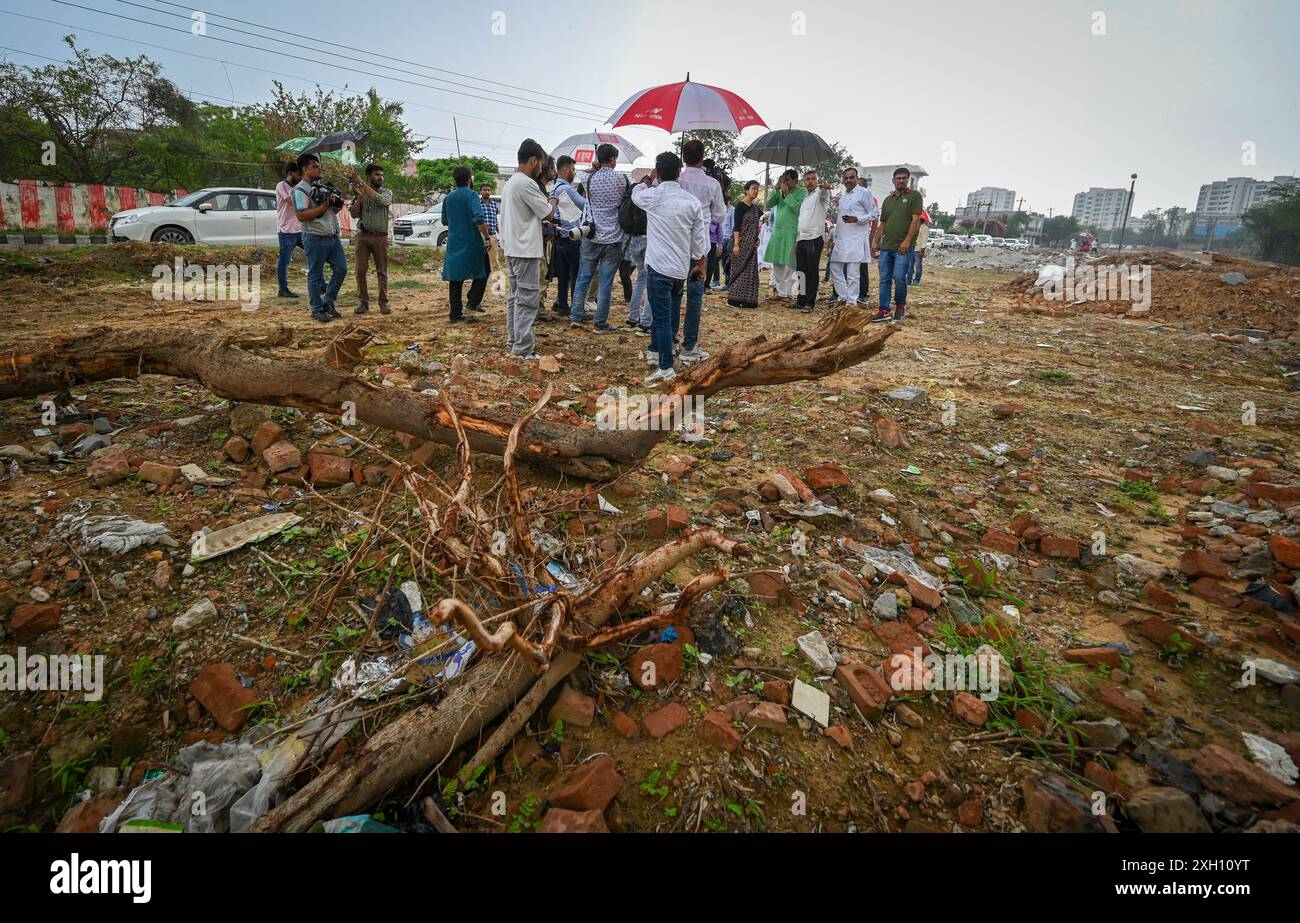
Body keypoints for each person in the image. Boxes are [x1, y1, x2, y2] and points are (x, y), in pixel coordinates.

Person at [632, 151, 709, 384]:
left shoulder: (653, 197)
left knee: (662, 317)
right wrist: (699, 263)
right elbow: (699, 240)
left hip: (658, 267)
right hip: (680, 269)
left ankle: (666, 367)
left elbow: (636, 194)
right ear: (679, 173)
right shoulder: (691, 202)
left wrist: (647, 179)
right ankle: (657, 351)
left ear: (658, 172)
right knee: (671, 313)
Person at [500, 138, 559, 358]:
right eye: (542, 163)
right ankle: (523, 349)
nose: (542, 168)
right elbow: (547, 212)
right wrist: (553, 199)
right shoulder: (525, 183)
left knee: (516, 298)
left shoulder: (511, 182)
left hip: (513, 247)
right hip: (524, 249)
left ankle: (514, 340)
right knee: (527, 299)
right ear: (533, 160)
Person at [675, 139, 726, 362]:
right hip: (700, 248)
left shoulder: (676, 180)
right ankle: (689, 345)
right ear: (702, 158)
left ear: (683, 157)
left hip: (676, 244)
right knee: (695, 296)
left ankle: (670, 341)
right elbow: (720, 215)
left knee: (674, 293)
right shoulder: (712, 184)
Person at [568, 144, 627, 332]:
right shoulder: (622, 179)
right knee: (605, 283)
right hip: (614, 238)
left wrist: (594, 167)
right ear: (612, 159)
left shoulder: (588, 178)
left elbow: (581, 173)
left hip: (591, 235)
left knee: (583, 278)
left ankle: (576, 316)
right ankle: (600, 323)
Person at [293, 152, 346, 323]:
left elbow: (329, 212)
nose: (319, 169)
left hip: (331, 236)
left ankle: (328, 302)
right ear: (305, 169)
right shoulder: (300, 190)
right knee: (315, 274)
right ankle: (316, 308)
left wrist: (335, 203)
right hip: (315, 237)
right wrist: (324, 205)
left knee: (341, 269)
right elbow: (301, 215)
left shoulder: (321, 187)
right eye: (315, 166)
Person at [870, 166, 924, 322]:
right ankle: (884, 310)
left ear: (907, 180)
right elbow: (883, 223)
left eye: (904, 178)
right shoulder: (888, 199)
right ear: (893, 180)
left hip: (904, 246)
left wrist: (907, 241)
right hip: (887, 246)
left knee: (900, 277)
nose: (901, 180)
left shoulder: (915, 196)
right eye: (898, 178)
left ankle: (900, 305)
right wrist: (875, 241)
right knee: (884, 279)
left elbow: (915, 221)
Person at [441, 165, 491, 324]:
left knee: (455, 279)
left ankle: (455, 314)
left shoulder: (448, 198)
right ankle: (473, 300)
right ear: (469, 179)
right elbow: (479, 218)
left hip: (454, 243)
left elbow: (444, 221)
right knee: (484, 270)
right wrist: (487, 237)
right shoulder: (472, 196)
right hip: (472, 243)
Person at [349, 163, 394, 315]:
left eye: (381, 175)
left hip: (380, 237)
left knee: (382, 271)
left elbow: (381, 200)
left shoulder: (387, 192)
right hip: (363, 236)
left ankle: (383, 302)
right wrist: (360, 198)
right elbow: (354, 213)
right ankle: (363, 302)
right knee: (360, 270)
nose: (380, 177)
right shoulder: (361, 192)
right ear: (369, 176)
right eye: (376, 174)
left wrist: (362, 184)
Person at [828, 167, 876, 306]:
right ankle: (843, 297)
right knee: (835, 267)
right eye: (846, 178)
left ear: (856, 178)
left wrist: (858, 219)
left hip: (856, 238)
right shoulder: (843, 196)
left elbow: (874, 214)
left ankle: (852, 302)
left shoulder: (864, 193)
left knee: (853, 272)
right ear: (843, 180)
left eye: (851, 177)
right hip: (842, 238)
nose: (848, 180)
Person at [548, 155, 586, 319]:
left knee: (563, 274)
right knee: (577, 274)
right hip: (572, 237)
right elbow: (585, 205)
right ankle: (577, 309)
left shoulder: (554, 188)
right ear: (566, 169)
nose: (574, 173)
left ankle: (562, 304)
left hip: (559, 236)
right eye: (573, 169)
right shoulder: (567, 189)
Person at [763, 169, 805, 302]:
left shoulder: (802, 192)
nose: (785, 182)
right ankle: (780, 292)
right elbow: (768, 204)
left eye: (787, 180)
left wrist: (787, 194)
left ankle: (789, 294)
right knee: (777, 263)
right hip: (778, 233)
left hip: (791, 233)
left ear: (795, 180)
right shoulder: (780, 192)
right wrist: (776, 187)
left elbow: (798, 208)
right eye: (784, 180)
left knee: (789, 265)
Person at [794, 169, 831, 311]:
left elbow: (824, 191)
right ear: (804, 182)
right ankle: (801, 300)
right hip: (802, 238)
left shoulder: (821, 195)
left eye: (813, 179)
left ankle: (810, 302)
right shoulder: (805, 198)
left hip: (814, 238)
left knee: (811, 271)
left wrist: (824, 187)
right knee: (801, 271)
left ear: (817, 180)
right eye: (808, 179)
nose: (810, 181)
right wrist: (797, 240)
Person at [726, 180, 763, 309]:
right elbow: (737, 227)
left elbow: (757, 225)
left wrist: (757, 238)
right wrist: (736, 245)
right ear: (746, 190)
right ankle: (734, 299)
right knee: (738, 270)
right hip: (741, 244)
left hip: (751, 246)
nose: (755, 191)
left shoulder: (756, 209)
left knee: (750, 272)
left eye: (757, 189)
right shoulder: (740, 206)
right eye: (753, 188)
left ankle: (748, 300)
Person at [274, 162, 304, 299]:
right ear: (290, 174)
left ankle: (321, 284)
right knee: (284, 261)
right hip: (286, 231)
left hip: (300, 229)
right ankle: (283, 289)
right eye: (298, 174)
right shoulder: (282, 185)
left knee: (315, 255)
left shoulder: (300, 187)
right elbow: (292, 201)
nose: (300, 177)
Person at [857, 180, 880, 305]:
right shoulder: (849, 197)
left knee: (862, 266)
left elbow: (875, 220)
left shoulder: (870, 198)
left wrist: (872, 239)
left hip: (863, 236)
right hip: (850, 237)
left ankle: (863, 294)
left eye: (859, 184)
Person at [480, 182, 499, 274]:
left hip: (492, 236)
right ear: (481, 192)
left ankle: (497, 284)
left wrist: (501, 234)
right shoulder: (477, 205)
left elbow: (495, 222)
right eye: (484, 190)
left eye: (488, 190)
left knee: (495, 261)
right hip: (481, 237)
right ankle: (481, 281)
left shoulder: (494, 205)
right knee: (480, 260)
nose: (487, 192)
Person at [911, 211, 930, 286]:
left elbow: (924, 240)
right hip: (912, 248)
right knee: (910, 265)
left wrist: (922, 250)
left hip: (919, 250)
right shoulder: (914, 226)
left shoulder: (925, 228)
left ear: (921, 219)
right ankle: (909, 279)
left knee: (918, 266)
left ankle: (917, 280)